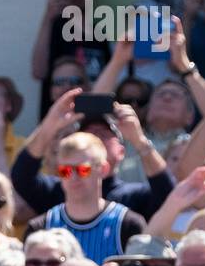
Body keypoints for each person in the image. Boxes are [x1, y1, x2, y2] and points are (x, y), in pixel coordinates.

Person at [14, 88, 174, 220]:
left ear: (121, 152)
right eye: (88, 135)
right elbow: (22, 176)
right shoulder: (61, 189)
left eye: (104, 135)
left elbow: (166, 193)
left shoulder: (133, 196)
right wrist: (49, 125)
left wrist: (139, 140)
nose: (95, 137)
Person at [25, 132, 149, 263]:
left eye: (82, 170)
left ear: (103, 169)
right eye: (65, 171)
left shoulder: (128, 225)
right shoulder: (41, 227)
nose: (73, 177)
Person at [31, 0, 109, 117]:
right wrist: (48, 16)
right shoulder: (52, 28)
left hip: (93, 122)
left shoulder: (99, 33)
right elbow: (38, 72)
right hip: (56, 124)